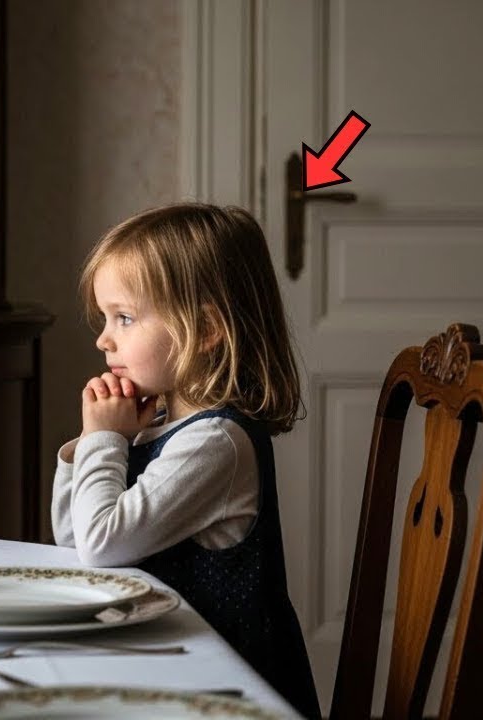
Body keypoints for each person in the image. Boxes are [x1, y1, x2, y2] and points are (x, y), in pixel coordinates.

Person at [51, 203, 321, 718]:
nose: (103, 339)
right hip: (169, 666)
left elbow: (100, 543)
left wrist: (105, 440)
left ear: (207, 328)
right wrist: (95, 441)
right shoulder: (164, 425)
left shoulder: (215, 441)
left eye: (124, 318)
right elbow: (74, 539)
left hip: (225, 688)